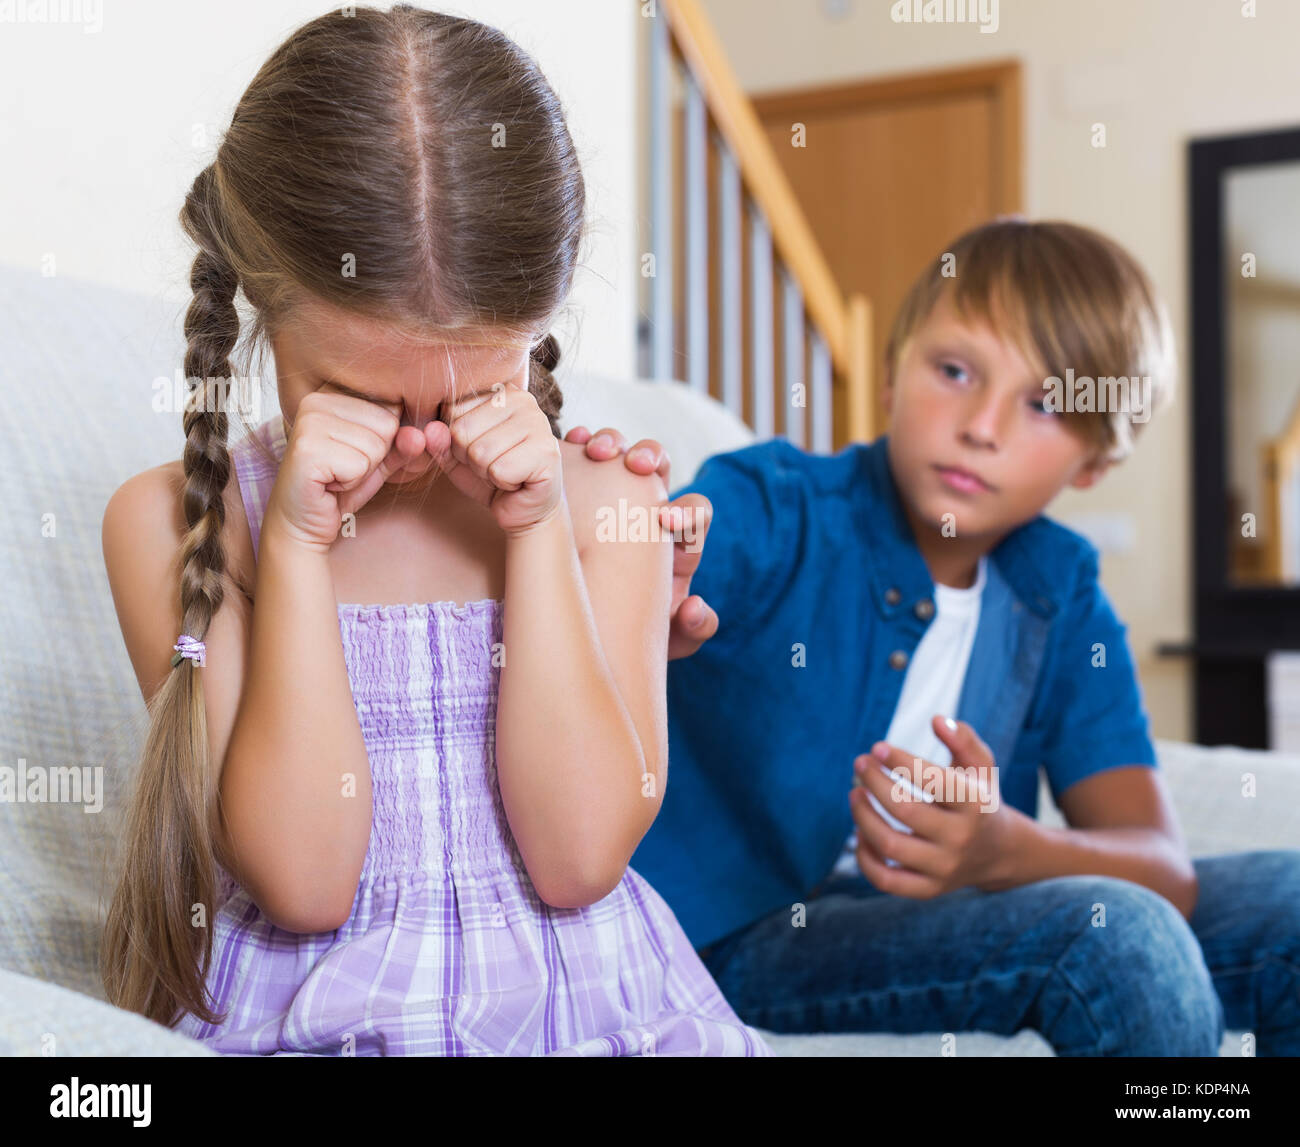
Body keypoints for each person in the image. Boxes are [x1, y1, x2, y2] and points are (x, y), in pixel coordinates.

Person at [99, 4, 771, 1057]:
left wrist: (539, 528)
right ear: (263, 311)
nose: (417, 446)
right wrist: (296, 545)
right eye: (357, 394)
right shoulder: (177, 527)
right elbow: (305, 879)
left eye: (476, 391)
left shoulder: (608, 505)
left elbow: (578, 855)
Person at [606, 218, 1300, 1056]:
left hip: (944, 909)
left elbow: (1164, 865)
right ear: (894, 374)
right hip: (733, 935)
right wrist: (627, 545)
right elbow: (624, 578)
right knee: (1118, 940)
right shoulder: (773, 505)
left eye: (1044, 404)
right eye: (955, 370)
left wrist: (1008, 851)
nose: (981, 425)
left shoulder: (1060, 592)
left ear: (1093, 461)